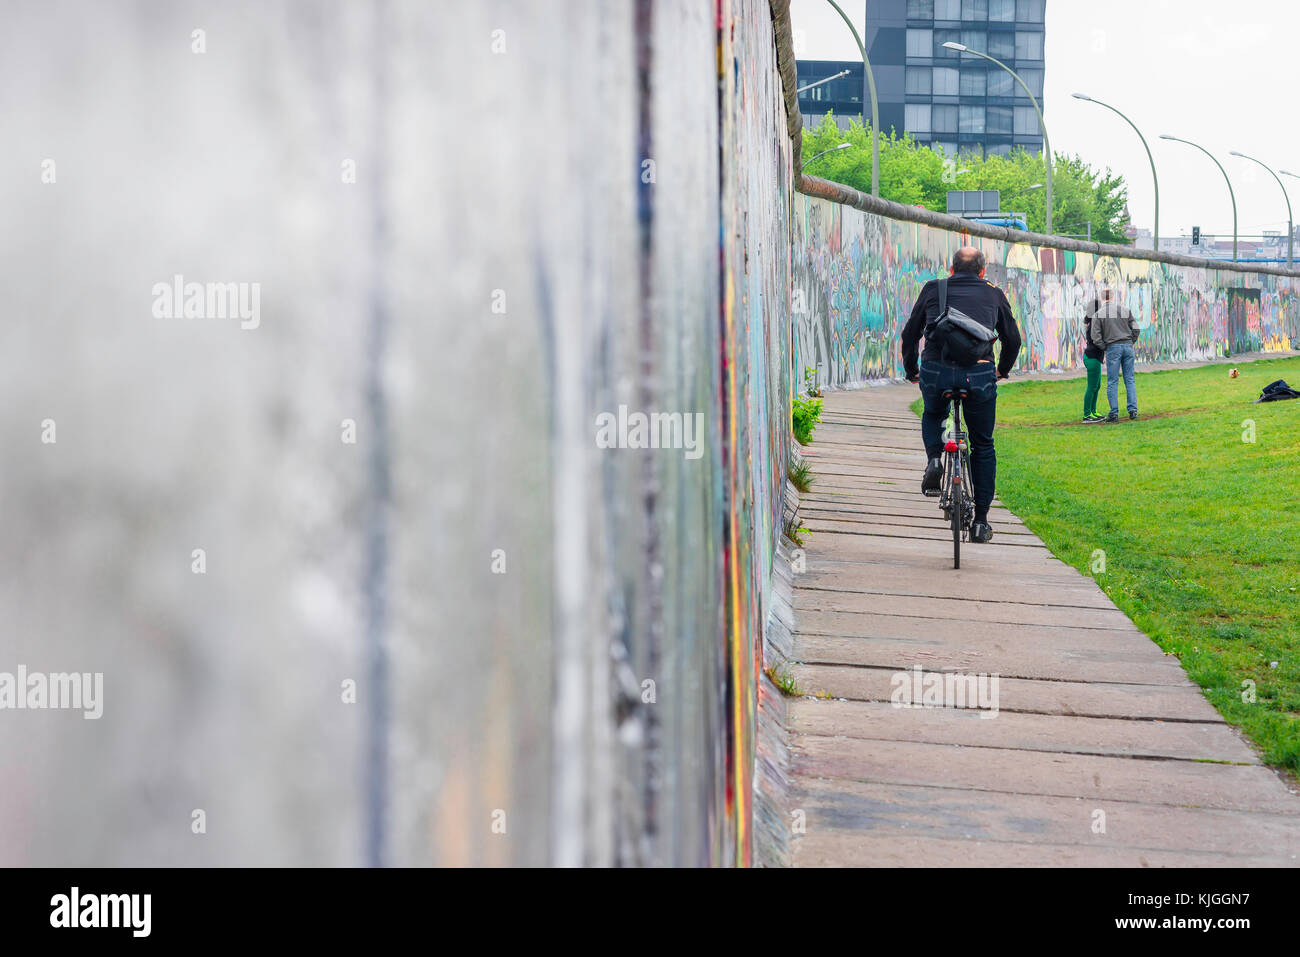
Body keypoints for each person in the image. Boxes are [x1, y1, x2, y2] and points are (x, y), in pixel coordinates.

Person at [902, 247, 1022, 544]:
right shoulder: (994, 294)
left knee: (933, 413)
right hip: (979, 375)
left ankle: (933, 460)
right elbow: (1013, 339)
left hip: (936, 372)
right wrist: (1001, 370)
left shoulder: (934, 289)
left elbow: (909, 334)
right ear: (983, 272)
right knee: (983, 444)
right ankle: (981, 522)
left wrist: (911, 369)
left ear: (951, 269)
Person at [1089, 288, 1140, 421]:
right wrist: (1131, 341)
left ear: (1102, 299)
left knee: (1112, 381)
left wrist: (1104, 347)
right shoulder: (1125, 310)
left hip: (1113, 347)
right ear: (1112, 297)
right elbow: (1136, 328)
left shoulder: (1098, 314)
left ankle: (1114, 413)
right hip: (1128, 346)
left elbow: (1095, 336)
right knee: (1129, 379)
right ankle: (1133, 410)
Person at [1081, 297, 1107, 423]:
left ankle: (1093, 411)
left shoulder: (1093, 322)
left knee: (1097, 386)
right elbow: (1097, 341)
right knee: (1092, 387)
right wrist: (1105, 347)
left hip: (1094, 358)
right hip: (1092, 358)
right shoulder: (1094, 323)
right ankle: (1087, 415)